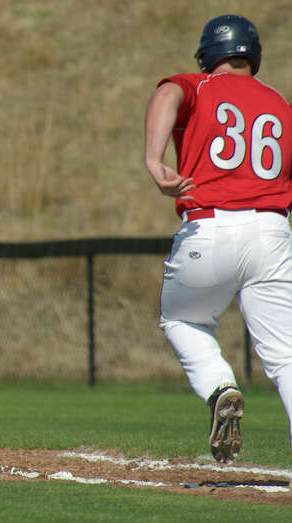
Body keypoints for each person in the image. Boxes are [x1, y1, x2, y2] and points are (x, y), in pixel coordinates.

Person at [144, 14, 292, 464]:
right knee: (286, 356)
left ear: (208, 56)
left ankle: (219, 386)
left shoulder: (200, 85)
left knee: (182, 321)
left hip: (210, 226)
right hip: (272, 231)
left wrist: (154, 160)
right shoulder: (280, 104)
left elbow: (168, 92)